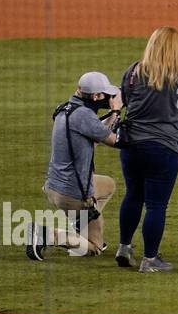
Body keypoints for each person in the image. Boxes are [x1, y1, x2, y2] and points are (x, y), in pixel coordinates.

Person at [117, 27, 178, 273]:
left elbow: (123, 98)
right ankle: (150, 259)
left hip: (131, 146)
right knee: (156, 205)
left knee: (133, 195)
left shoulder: (133, 72)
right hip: (163, 149)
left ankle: (124, 247)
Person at [25, 71, 122, 262]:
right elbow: (113, 140)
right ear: (95, 96)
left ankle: (80, 222)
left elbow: (95, 133)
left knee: (108, 184)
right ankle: (46, 234)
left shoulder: (66, 109)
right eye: (105, 94)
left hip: (53, 185)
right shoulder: (85, 116)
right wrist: (116, 112)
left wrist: (111, 115)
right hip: (72, 193)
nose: (108, 98)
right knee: (94, 248)